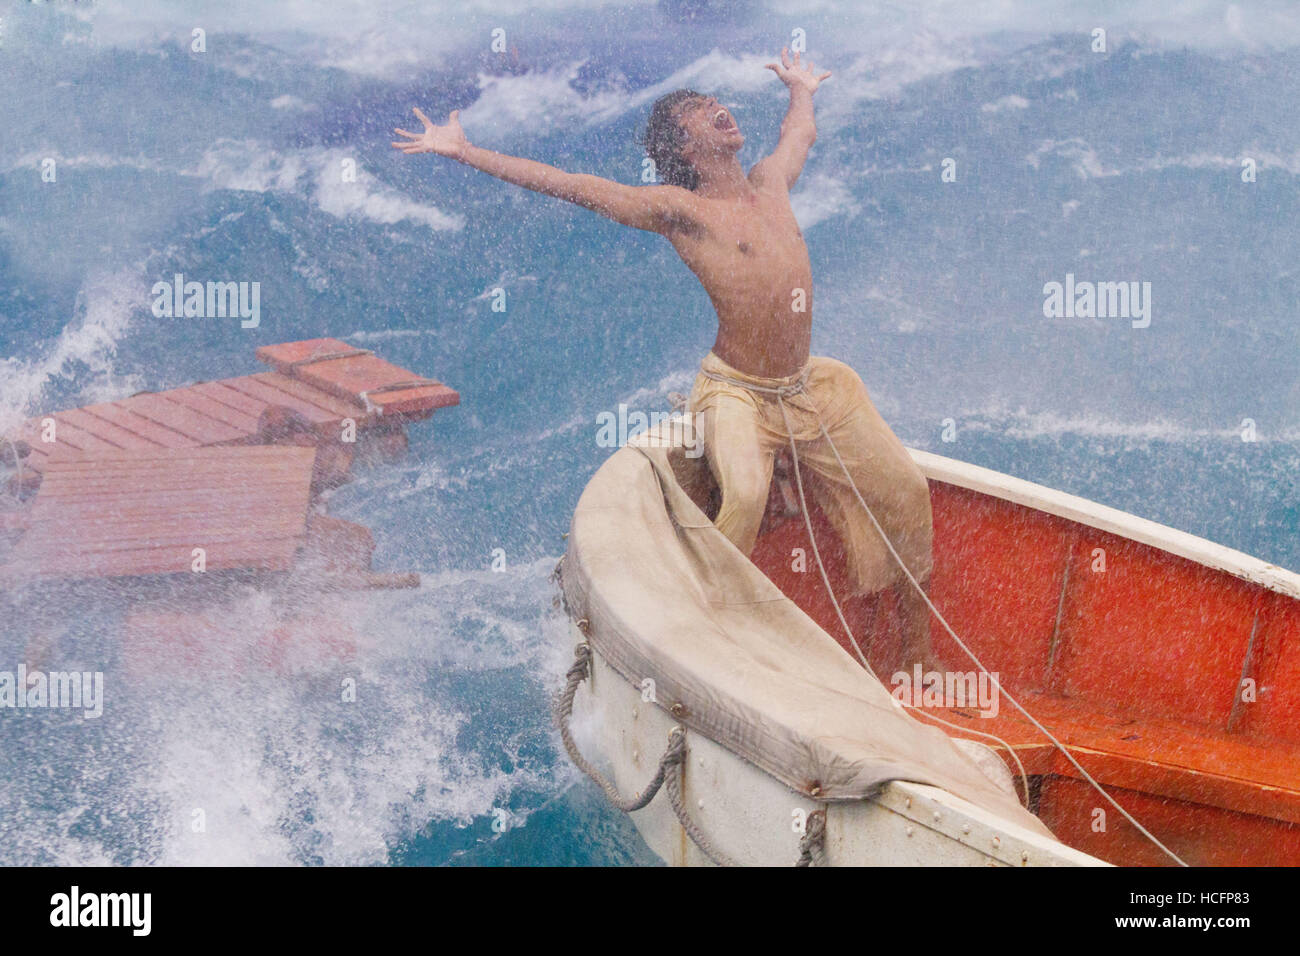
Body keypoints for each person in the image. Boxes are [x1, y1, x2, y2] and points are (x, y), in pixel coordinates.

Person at [393, 49, 937, 670]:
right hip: (736, 393)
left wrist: (802, 88)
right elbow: (577, 188)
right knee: (745, 497)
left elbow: (800, 133)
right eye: (702, 113)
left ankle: (918, 654)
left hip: (810, 387)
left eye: (715, 104)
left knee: (905, 488)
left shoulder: (769, 182)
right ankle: (713, 646)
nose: (719, 110)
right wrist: (465, 152)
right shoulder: (682, 212)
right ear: (687, 146)